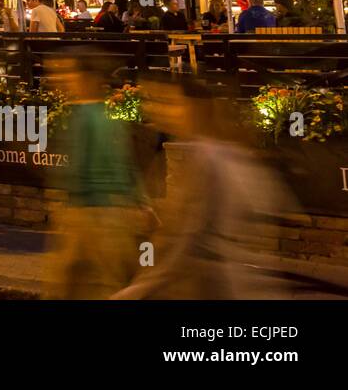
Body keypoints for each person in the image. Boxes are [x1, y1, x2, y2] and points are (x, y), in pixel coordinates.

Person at [113, 76, 293, 299]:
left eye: (169, 102)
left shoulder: (210, 159)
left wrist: (135, 292)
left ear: (195, 108)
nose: (158, 110)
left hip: (215, 286)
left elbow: (187, 243)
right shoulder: (225, 152)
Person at [47, 56, 147, 298]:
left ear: (87, 78)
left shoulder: (85, 114)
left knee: (73, 282)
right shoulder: (106, 114)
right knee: (101, 281)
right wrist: (140, 201)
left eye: (69, 74)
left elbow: (78, 164)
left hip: (90, 211)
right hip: (110, 209)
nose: (63, 80)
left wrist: (62, 201)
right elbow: (125, 160)